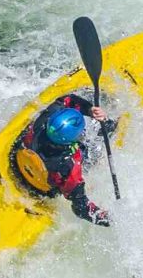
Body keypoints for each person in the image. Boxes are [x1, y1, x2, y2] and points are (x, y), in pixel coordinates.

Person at [10, 94, 113, 225]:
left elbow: (65, 100)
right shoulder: (69, 166)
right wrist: (109, 219)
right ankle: (111, 126)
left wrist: (89, 109)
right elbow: (81, 208)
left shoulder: (41, 122)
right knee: (93, 152)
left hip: (18, 163)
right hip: (41, 190)